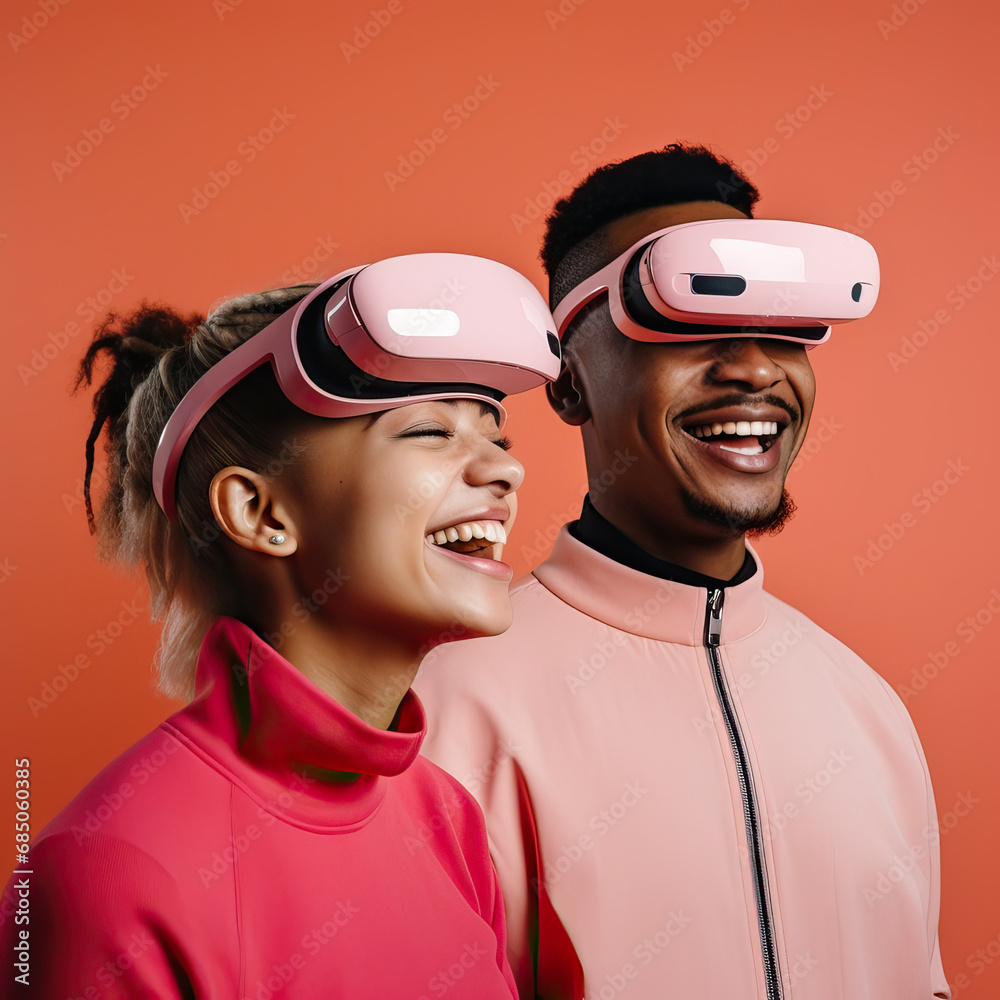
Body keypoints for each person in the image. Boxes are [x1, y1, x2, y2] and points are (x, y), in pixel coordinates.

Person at [415, 146, 950, 999]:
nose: (755, 368)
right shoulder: (445, 707)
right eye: (686, 325)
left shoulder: (869, 706)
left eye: (784, 332)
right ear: (567, 382)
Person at [0, 253, 562, 998]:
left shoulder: (446, 818)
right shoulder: (103, 872)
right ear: (260, 513)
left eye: (498, 440)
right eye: (431, 431)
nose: (505, 472)